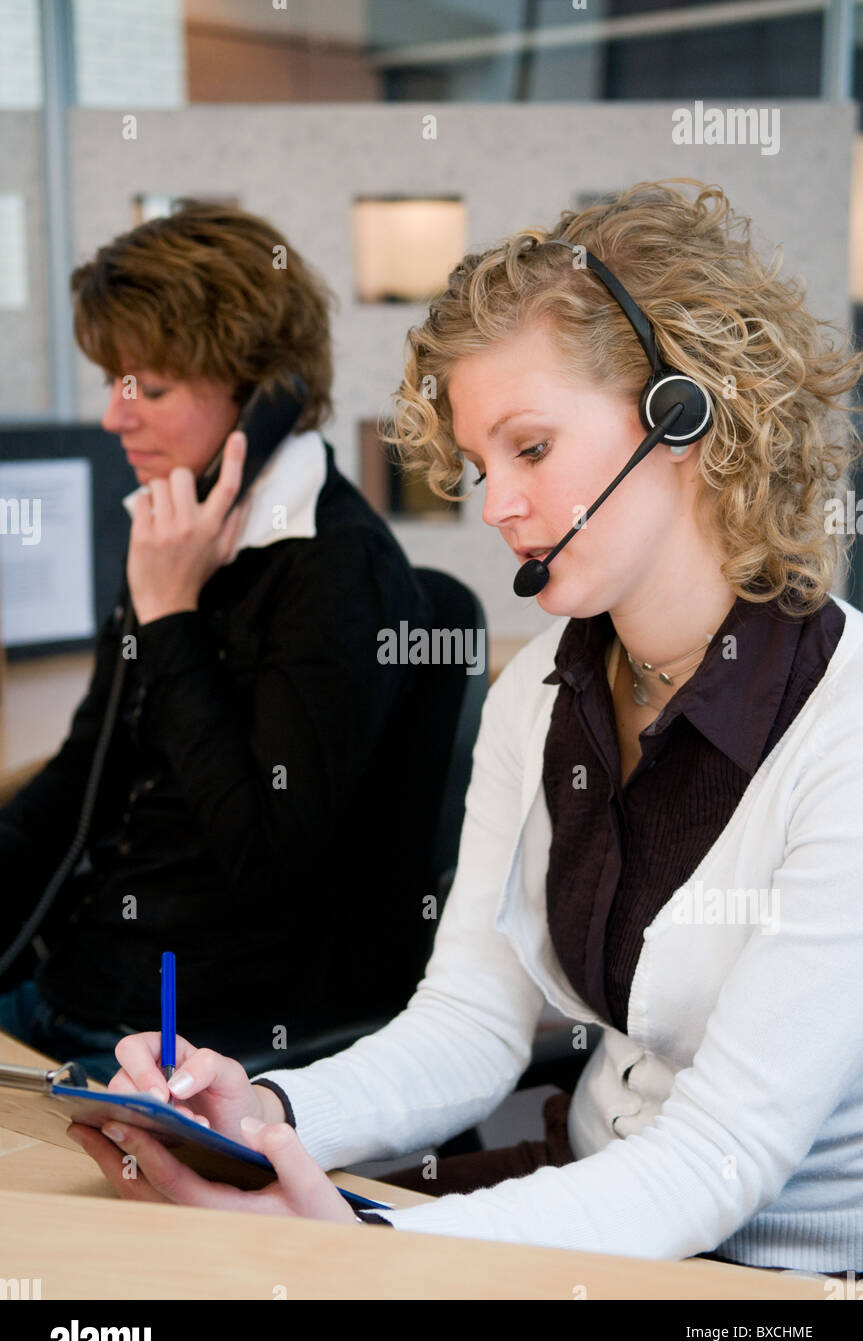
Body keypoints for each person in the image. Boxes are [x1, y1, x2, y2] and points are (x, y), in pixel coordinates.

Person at [70, 179, 863, 1278]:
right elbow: (470, 1028)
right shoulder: (539, 688)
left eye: (528, 450)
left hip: (766, 1276)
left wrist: (371, 1239)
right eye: (480, 464)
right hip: (580, 1200)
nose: (491, 506)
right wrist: (261, 1107)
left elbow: (717, 1155)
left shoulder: (844, 728)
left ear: (685, 415)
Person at [0, 200, 438, 1083]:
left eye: (150, 389)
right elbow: (85, 777)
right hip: (76, 986)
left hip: (191, 1037)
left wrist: (170, 619)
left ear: (261, 394)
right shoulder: (177, 533)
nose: (117, 419)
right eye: (115, 385)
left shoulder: (336, 572)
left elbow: (264, 856)